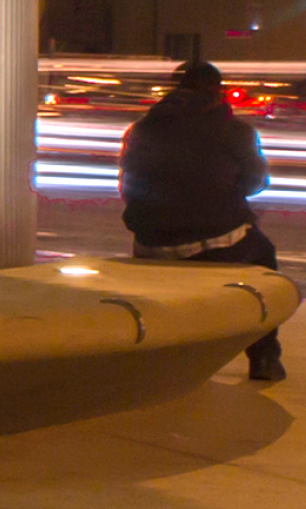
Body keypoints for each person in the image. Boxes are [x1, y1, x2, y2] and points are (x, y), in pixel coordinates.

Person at [117, 56, 288, 382]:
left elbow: (128, 189)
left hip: (150, 241)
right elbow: (256, 184)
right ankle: (265, 358)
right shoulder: (234, 130)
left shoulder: (140, 129)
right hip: (214, 241)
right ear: (217, 91)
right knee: (264, 258)